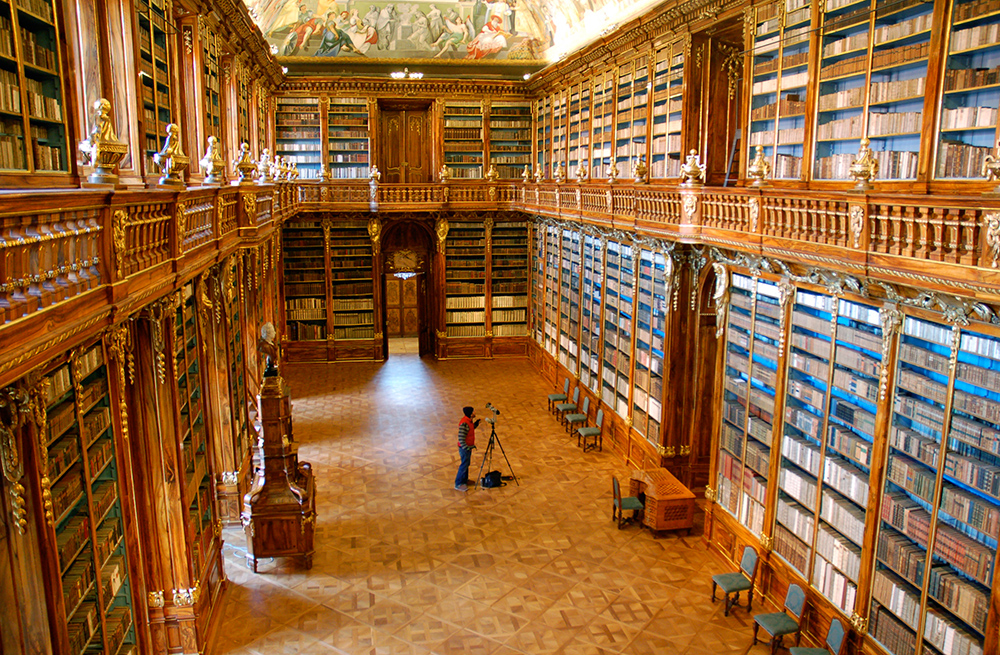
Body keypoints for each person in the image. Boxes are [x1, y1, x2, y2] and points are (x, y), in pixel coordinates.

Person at [455, 406, 479, 491]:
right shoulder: (464, 423)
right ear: (470, 413)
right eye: (473, 412)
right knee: (464, 464)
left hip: (468, 447)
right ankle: (459, 483)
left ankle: (464, 480)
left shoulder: (469, 421)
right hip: (465, 448)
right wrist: (466, 448)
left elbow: (469, 430)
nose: (474, 413)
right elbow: (461, 437)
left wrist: (475, 425)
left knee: (466, 464)